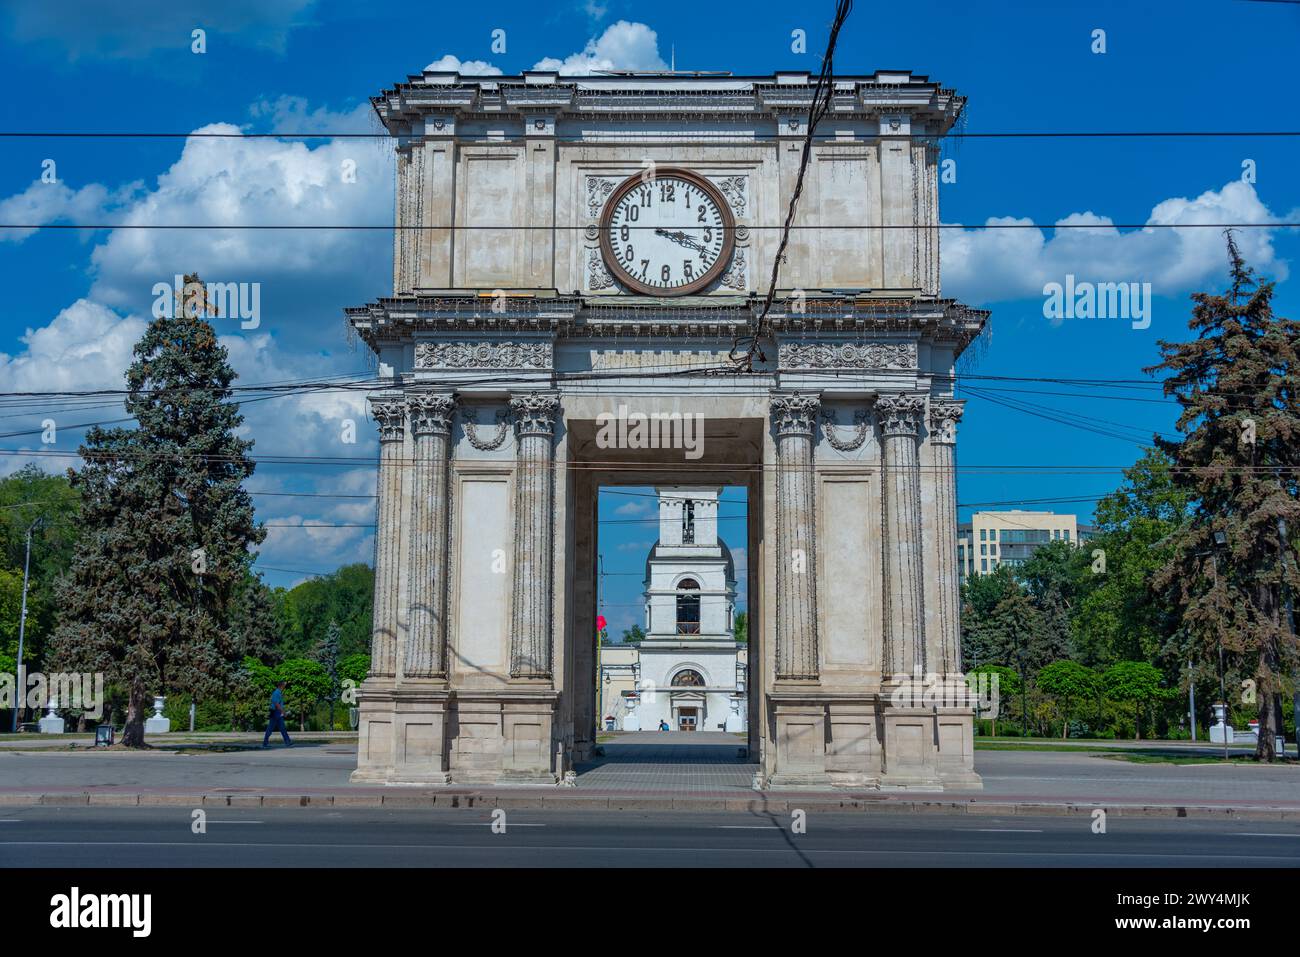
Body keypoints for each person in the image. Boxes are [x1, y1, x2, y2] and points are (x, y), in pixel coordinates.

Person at [262, 681, 293, 748]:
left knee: (282, 728)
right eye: (284, 685)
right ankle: (265, 743)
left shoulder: (278, 692)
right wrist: (283, 712)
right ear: (281, 686)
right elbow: (276, 704)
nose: (285, 687)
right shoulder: (276, 693)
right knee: (270, 728)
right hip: (275, 712)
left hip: (277, 712)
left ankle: (288, 742)